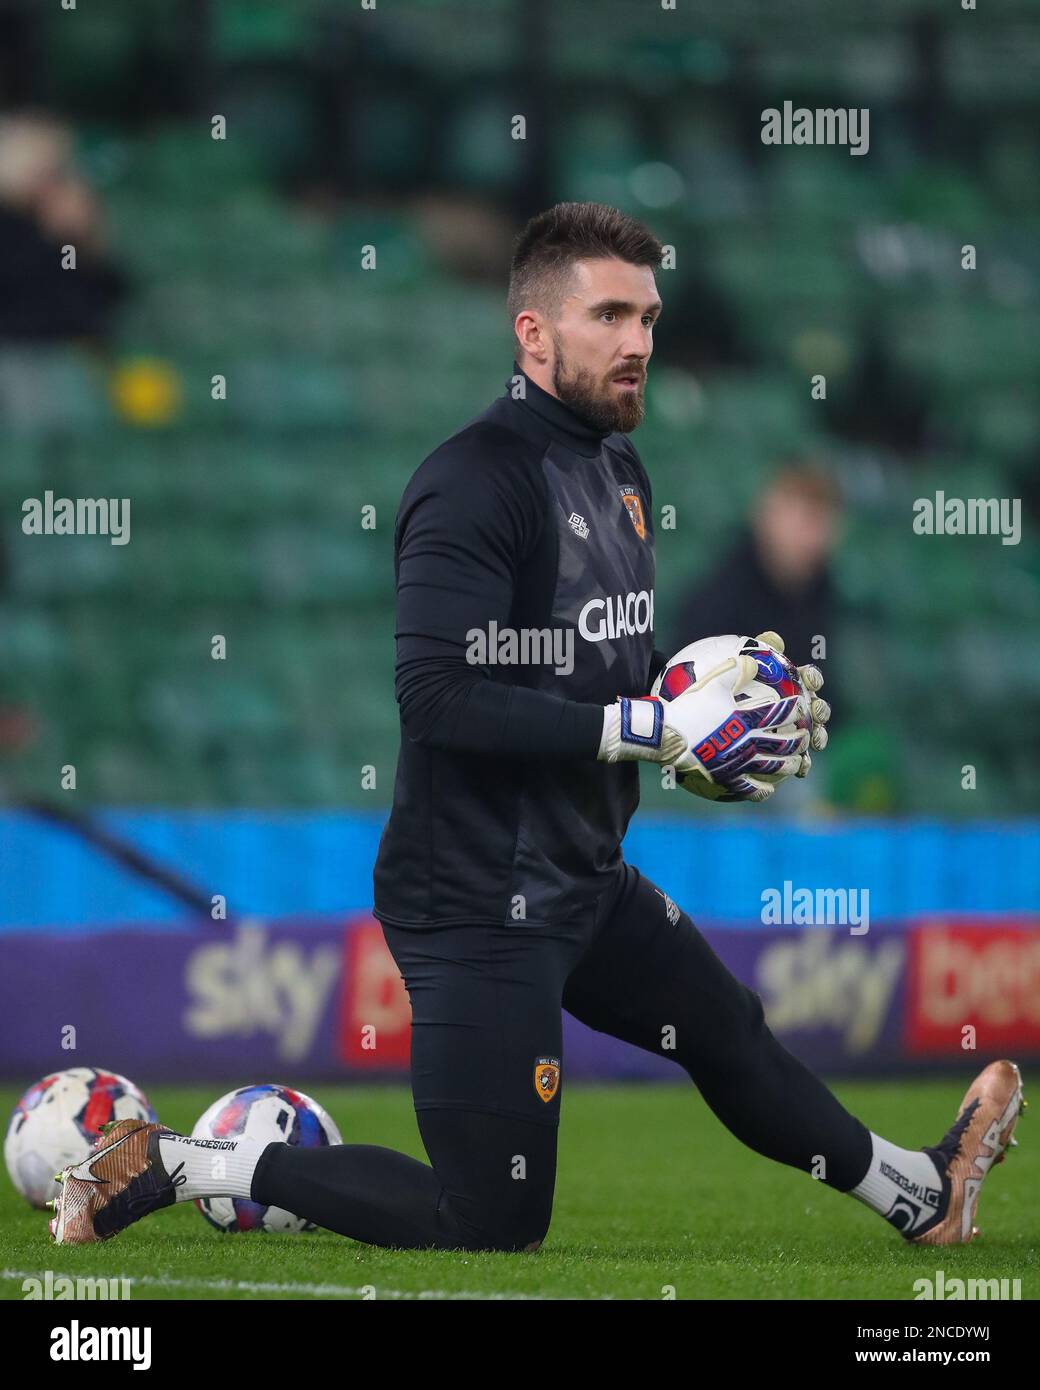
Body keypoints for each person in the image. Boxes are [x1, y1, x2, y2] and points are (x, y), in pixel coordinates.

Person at [49, 203, 1022, 1251]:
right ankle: (181, 1160)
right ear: (533, 334)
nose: (638, 341)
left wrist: (719, 721)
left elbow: (598, 675)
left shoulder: (620, 473)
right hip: (472, 894)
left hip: (580, 873)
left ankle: (921, 1194)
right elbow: (436, 695)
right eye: (608, 314)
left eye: (647, 316)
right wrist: (649, 724)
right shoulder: (471, 482)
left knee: (726, 1031)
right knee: (490, 1215)